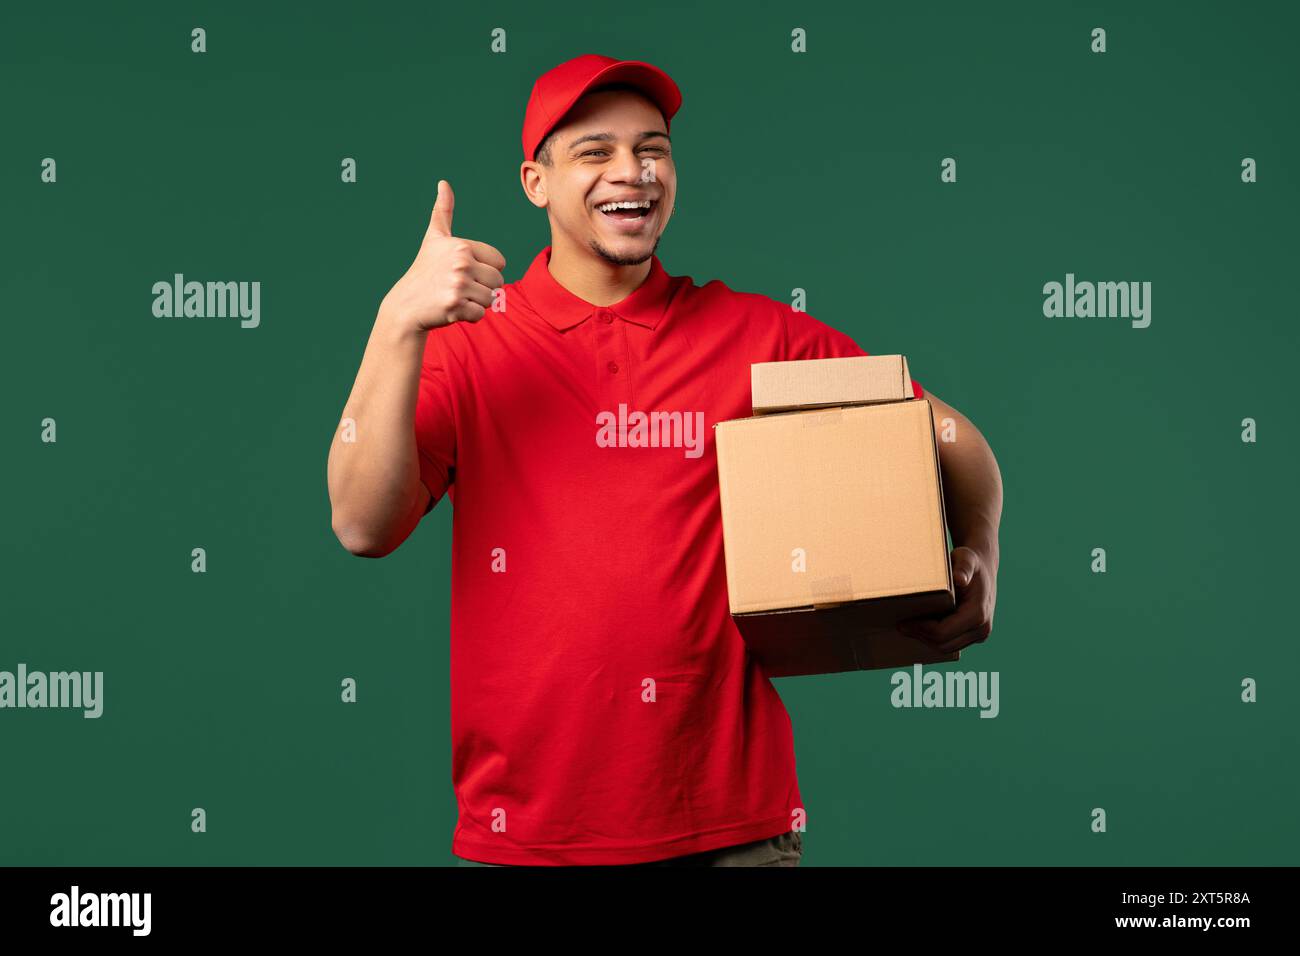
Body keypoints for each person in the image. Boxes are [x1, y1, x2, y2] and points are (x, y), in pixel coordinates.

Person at [326, 53, 1003, 867]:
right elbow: (363, 524)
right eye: (594, 151)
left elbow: (950, 436)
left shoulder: (761, 338)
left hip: (733, 831)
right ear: (535, 182)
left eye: (653, 148)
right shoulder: (469, 346)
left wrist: (982, 550)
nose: (633, 172)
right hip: (530, 838)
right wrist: (397, 320)